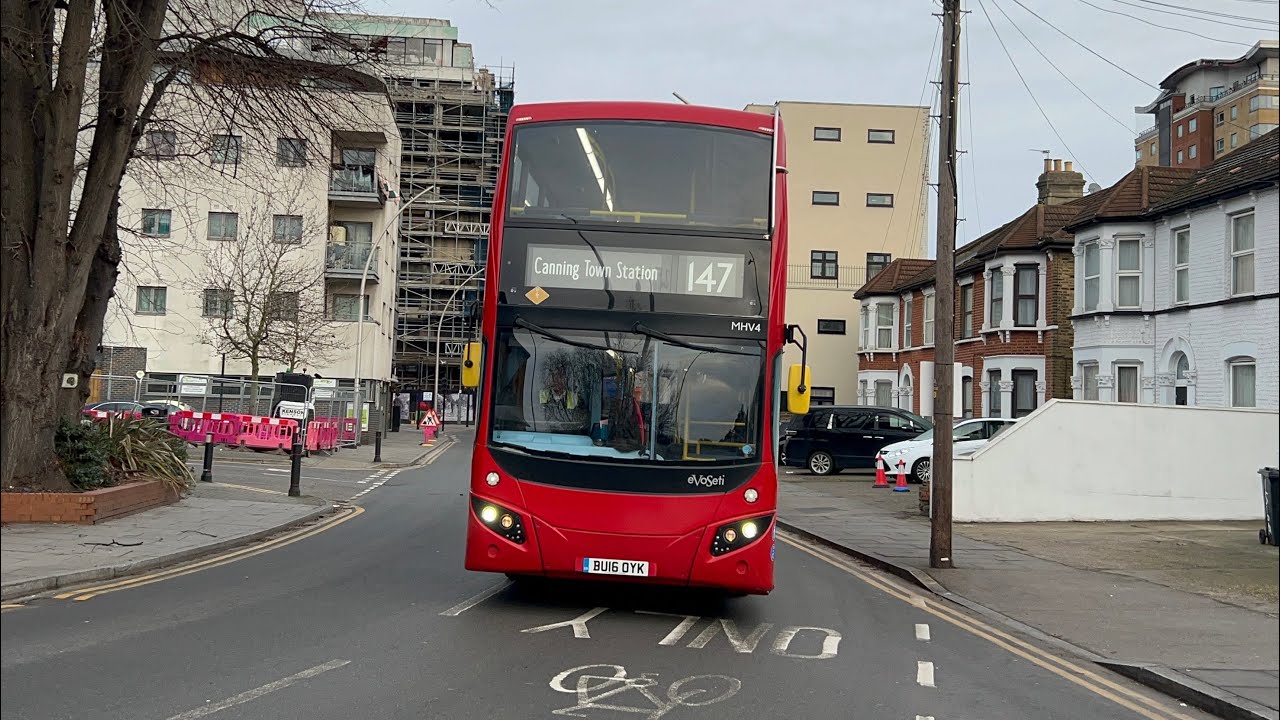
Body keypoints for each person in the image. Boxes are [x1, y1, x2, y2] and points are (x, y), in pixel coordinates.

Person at [538, 366, 589, 432]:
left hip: (567, 435)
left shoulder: (576, 398)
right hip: (544, 434)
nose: (556, 380)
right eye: (553, 376)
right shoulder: (540, 395)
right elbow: (534, 416)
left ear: (566, 379)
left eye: (560, 376)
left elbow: (582, 421)